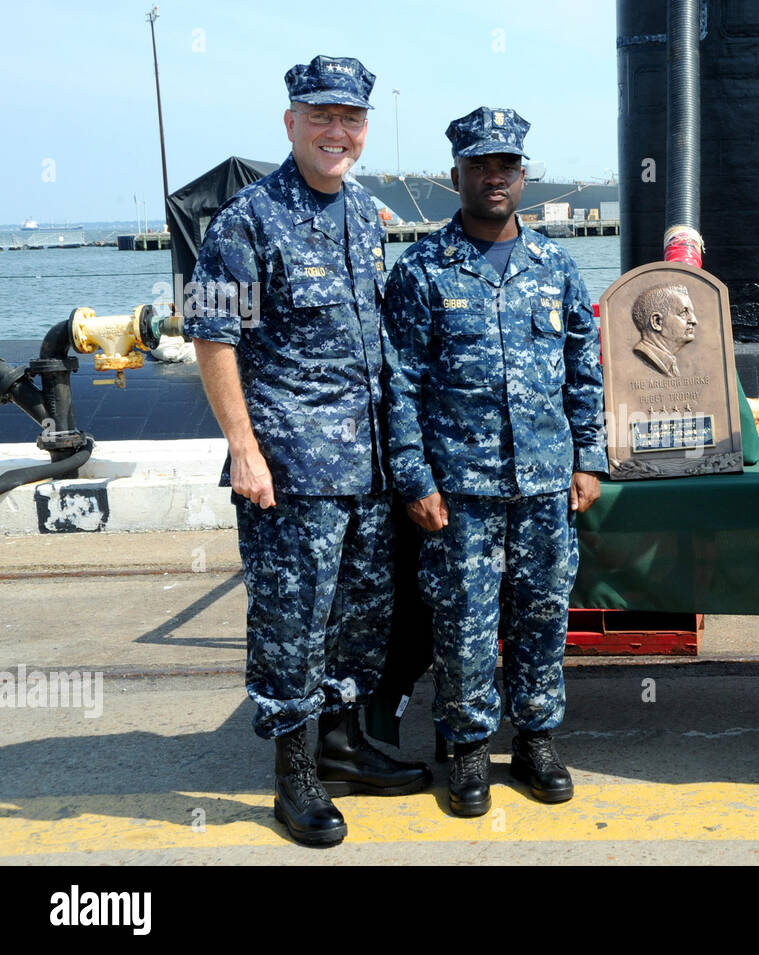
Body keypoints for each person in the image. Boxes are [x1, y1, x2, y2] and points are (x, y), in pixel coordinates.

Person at [190, 55, 431, 848]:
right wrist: (244, 449)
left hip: (361, 470)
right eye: (321, 116)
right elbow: (213, 336)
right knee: (293, 624)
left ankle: (340, 743)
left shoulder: (363, 215)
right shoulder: (246, 221)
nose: (338, 131)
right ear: (290, 122)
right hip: (289, 473)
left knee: (358, 621)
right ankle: (292, 777)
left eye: (351, 118)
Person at [382, 107, 607, 817]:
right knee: (464, 622)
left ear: (522, 175)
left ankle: (537, 739)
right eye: (479, 165)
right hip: (461, 489)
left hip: (545, 481)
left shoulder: (556, 267)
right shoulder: (421, 269)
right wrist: (415, 478)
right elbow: (401, 383)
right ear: (457, 176)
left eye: (505, 165)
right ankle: (470, 746)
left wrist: (590, 457)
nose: (493, 177)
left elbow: (583, 368)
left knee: (542, 615)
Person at [630, 283, 697, 377]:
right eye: (683, 313)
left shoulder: (670, 363)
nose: (694, 321)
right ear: (657, 322)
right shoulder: (646, 358)